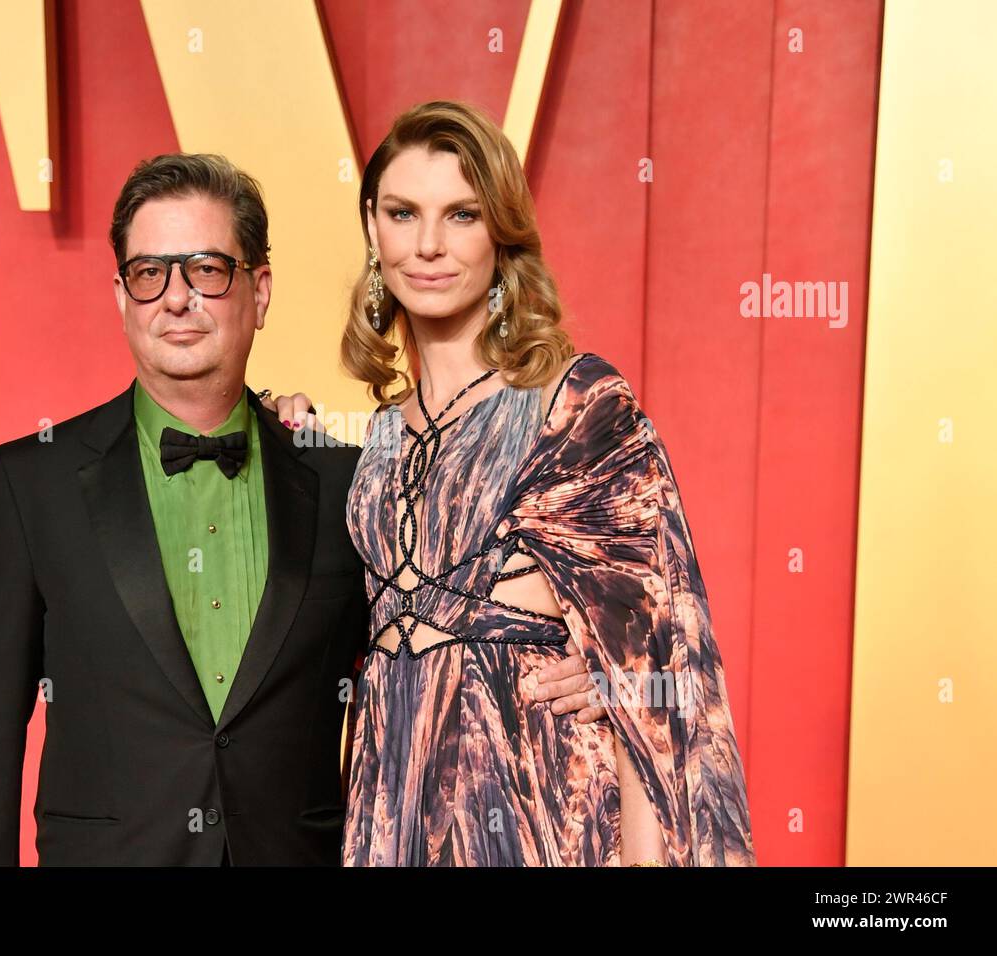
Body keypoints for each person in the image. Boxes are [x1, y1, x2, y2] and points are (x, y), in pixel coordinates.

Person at [0, 151, 588, 866]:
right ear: (121, 296)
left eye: (207, 269)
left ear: (260, 292)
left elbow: (433, 645)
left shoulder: (352, 486)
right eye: (150, 274)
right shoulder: (34, 484)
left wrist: (588, 670)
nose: (177, 298)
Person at [319, 100, 755, 866]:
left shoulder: (577, 408)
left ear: (501, 234)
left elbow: (660, 672)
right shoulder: (377, 439)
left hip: (540, 813)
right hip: (390, 818)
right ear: (371, 227)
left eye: (461, 215)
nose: (427, 245)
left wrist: (614, 687)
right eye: (402, 212)